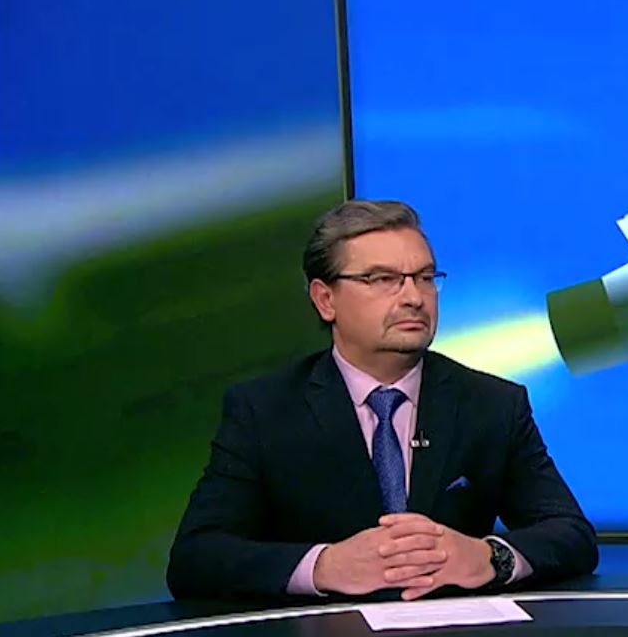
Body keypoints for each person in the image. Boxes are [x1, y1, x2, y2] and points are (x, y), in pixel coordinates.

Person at [167, 199, 597, 602]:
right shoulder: (264, 409)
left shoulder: (492, 404)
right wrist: (323, 566)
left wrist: (487, 557)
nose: (413, 297)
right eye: (382, 279)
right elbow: (196, 557)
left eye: (425, 278)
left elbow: (571, 535)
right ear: (325, 300)